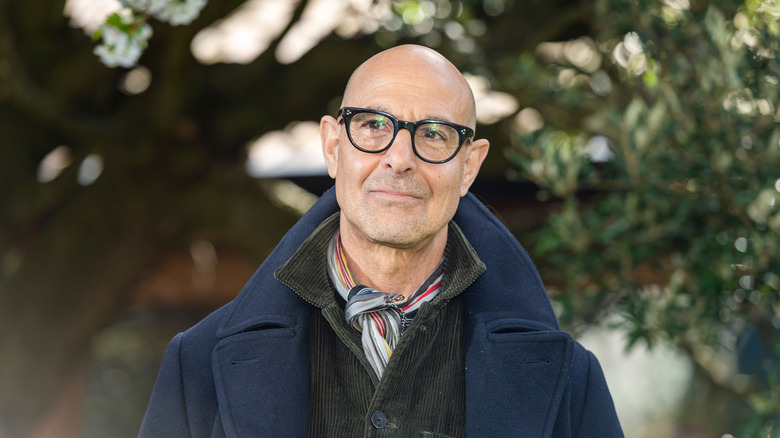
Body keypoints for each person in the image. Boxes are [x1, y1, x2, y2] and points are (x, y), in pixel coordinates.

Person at [139, 44, 623, 437]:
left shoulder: (568, 378)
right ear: (333, 147)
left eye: (434, 134)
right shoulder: (197, 362)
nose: (399, 158)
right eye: (373, 126)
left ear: (469, 166)